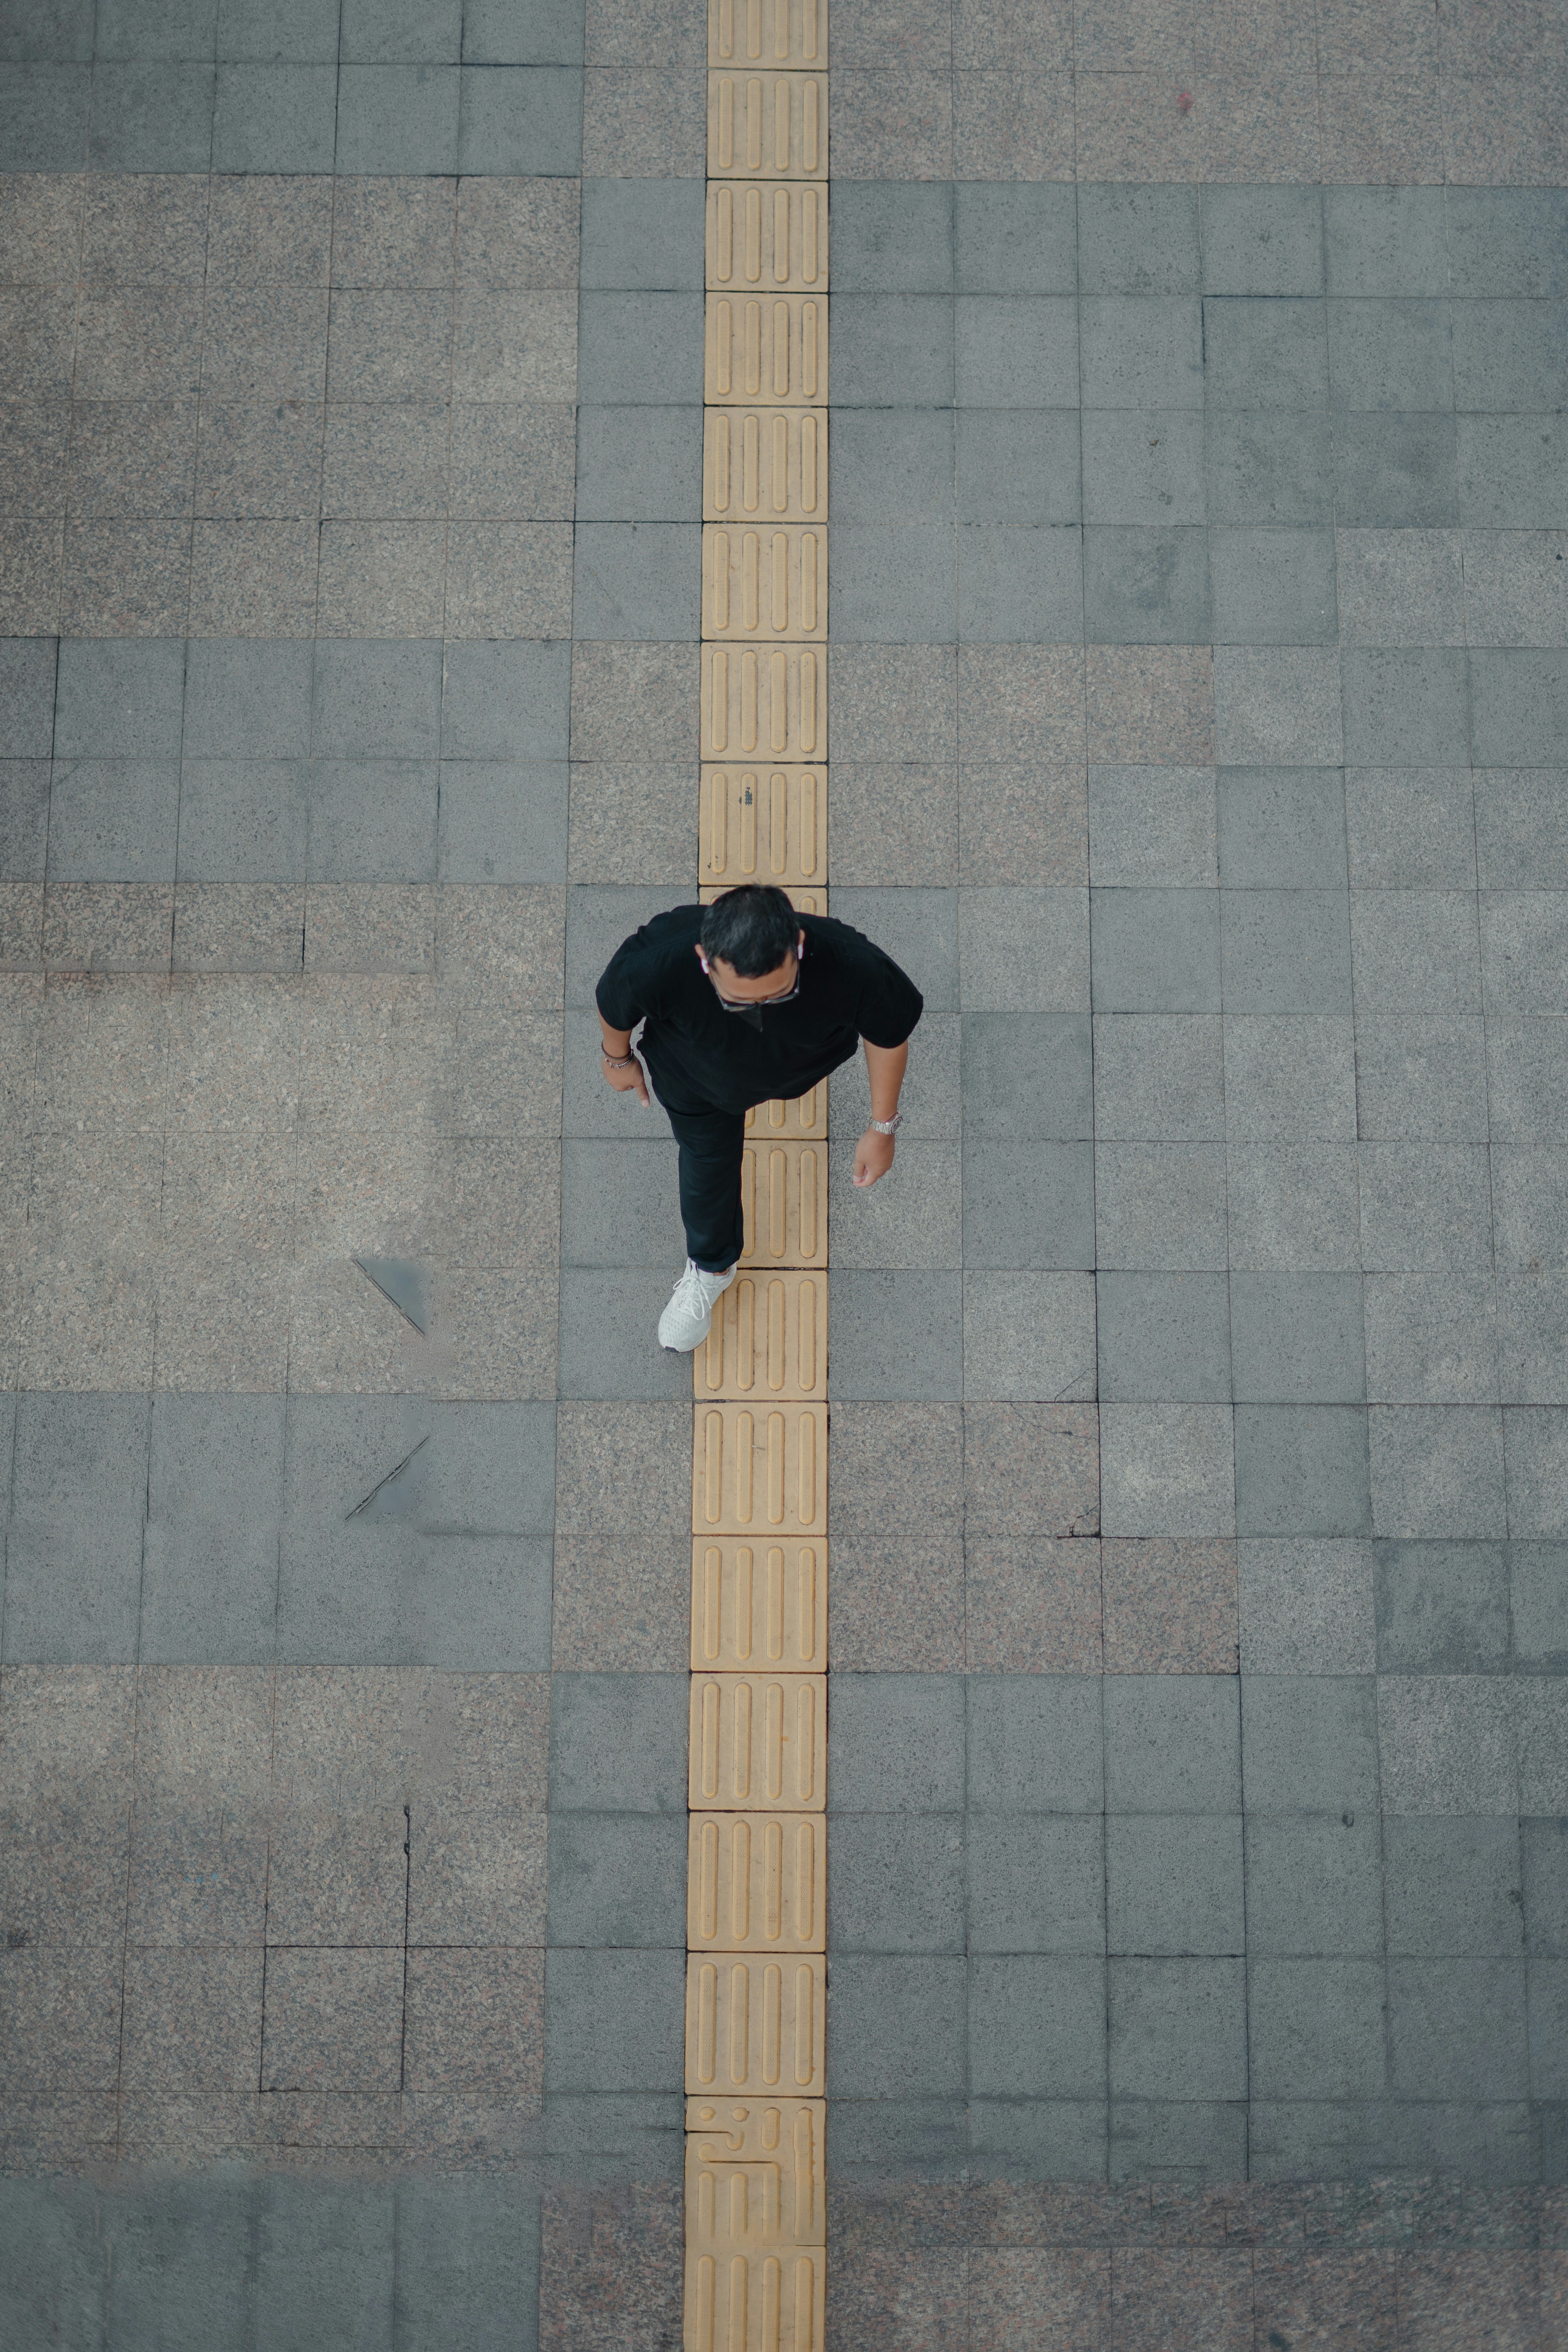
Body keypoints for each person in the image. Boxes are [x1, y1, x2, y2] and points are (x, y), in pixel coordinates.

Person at [596, 884, 924, 1350]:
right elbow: (614, 1004)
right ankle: (711, 1268)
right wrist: (617, 1060)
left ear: (800, 949)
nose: (755, 1012)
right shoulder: (659, 958)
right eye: (737, 1000)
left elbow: (888, 1034)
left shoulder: (853, 963)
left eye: (777, 995)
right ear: (703, 958)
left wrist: (882, 1127)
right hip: (695, 1083)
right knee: (705, 1168)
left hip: (797, 1069)